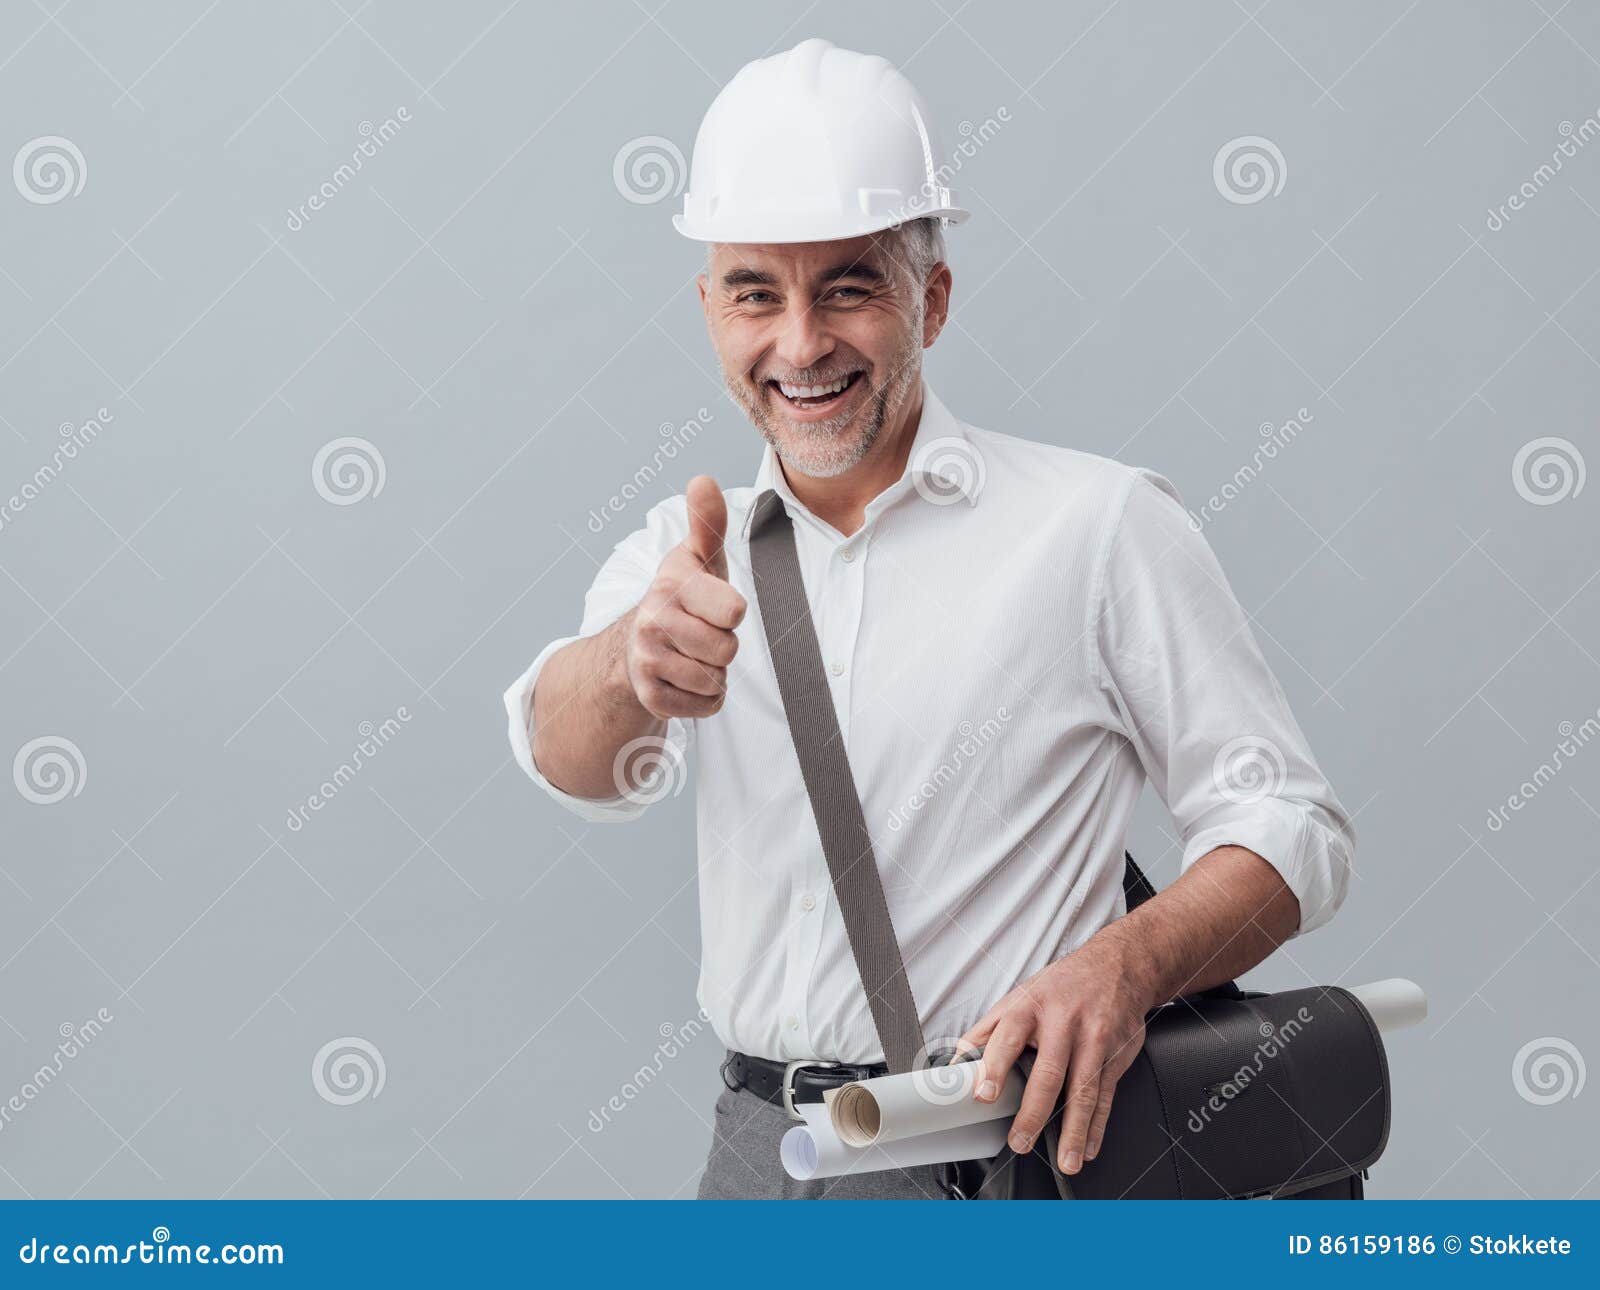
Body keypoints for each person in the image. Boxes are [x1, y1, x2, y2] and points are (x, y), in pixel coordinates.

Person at [505, 38, 1354, 1199]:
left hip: (996, 1152)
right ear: (710, 310)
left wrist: (1123, 967)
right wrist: (629, 667)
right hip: (756, 1153)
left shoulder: (1096, 529)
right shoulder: (679, 556)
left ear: (932, 300)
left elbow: (1290, 825)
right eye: (756, 292)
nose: (799, 345)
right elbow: (567, 758)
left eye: (848, 286)